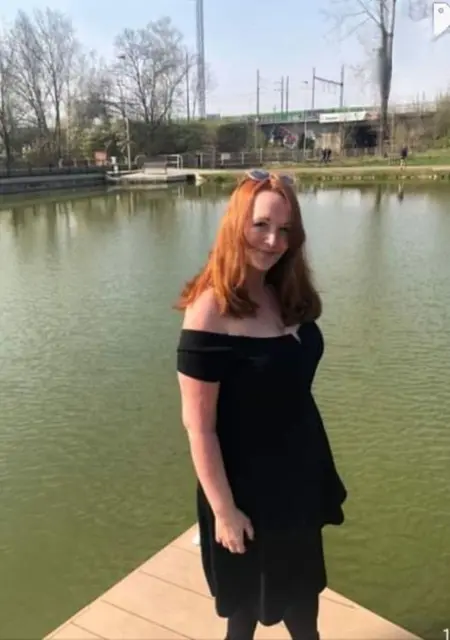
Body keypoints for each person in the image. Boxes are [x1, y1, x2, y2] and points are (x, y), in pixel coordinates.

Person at [175, 169, 347, 640]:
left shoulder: (281, 290)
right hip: (248, 491)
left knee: (304, 606)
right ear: (236, 225)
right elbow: (199, 427)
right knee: (245, 612)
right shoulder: (210, 310)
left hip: (298, 480)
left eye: (285, 229)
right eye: (261, 225)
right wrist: (224, 512)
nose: (274, 241)